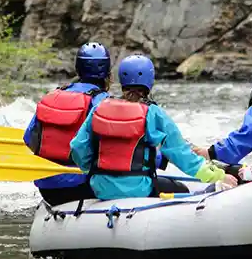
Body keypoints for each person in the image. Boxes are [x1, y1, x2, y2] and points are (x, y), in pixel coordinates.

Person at [70, 54, 235, 200]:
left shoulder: (100, 107)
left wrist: (88, 169)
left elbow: (77, 146)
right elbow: (182, 155)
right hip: (139, 188)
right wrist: (219, 176)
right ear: (150, 81)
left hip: (100, 188)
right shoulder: (153, 112)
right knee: (181, 188)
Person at [24, 42, 111, 206]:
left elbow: (29, 139)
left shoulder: (52, 96)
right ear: (107, 72)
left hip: (46, 188)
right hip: (83, 187)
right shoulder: (103, 102)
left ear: (78, 68)